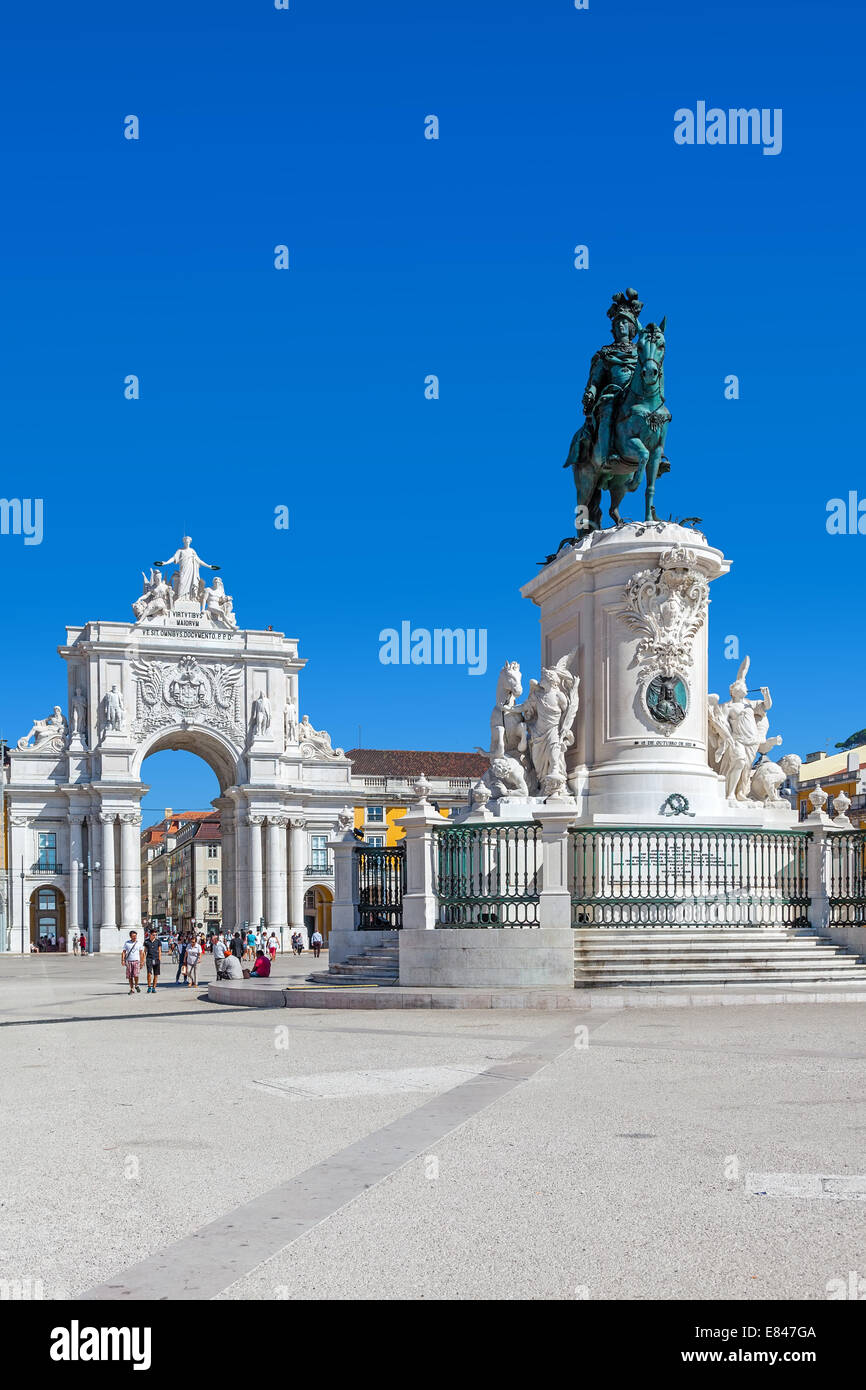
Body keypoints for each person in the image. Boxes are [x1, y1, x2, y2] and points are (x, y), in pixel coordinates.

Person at [121, 930, 144, 995]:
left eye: (135, 936)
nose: (134, 937)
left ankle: (136, 985)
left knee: (136, 975)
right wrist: (122, 960)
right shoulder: (127, 943)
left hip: (136, 961)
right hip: (129, 961)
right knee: (130, 976)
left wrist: (142, 962)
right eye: (133, 936)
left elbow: (141, 953)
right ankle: (132, 989)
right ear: (130, 936)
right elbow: (124, 952)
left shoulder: (139, 943)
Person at [144, 928, 161, 993]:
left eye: (155, 935)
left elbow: (159, 950)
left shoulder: (158, 941)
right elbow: (144, 951)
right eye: (153, 935)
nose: (154, 936)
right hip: (149, 959)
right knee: (149, 973)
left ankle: (154, 987)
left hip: (156, 959)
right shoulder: (146, 941)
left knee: (156, 974)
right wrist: (143, 960)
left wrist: (159, 959)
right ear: (150, 935)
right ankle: (149, 987)